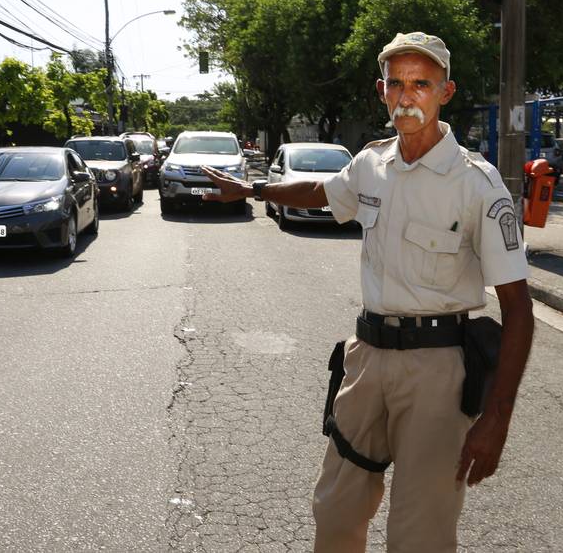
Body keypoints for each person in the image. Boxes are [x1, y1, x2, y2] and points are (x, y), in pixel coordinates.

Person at [201, 31, 534, 552]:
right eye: (396, 83)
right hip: (367, 359)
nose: (407, 96)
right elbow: (323, 190)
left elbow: (518, 309)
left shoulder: (477, 184)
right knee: (334, 509)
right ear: (381, 91)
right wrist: (253, 189)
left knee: (418, 532)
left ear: (445, 92)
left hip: (438, 371)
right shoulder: (372, 164)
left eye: (421, 84)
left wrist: (497, 418)